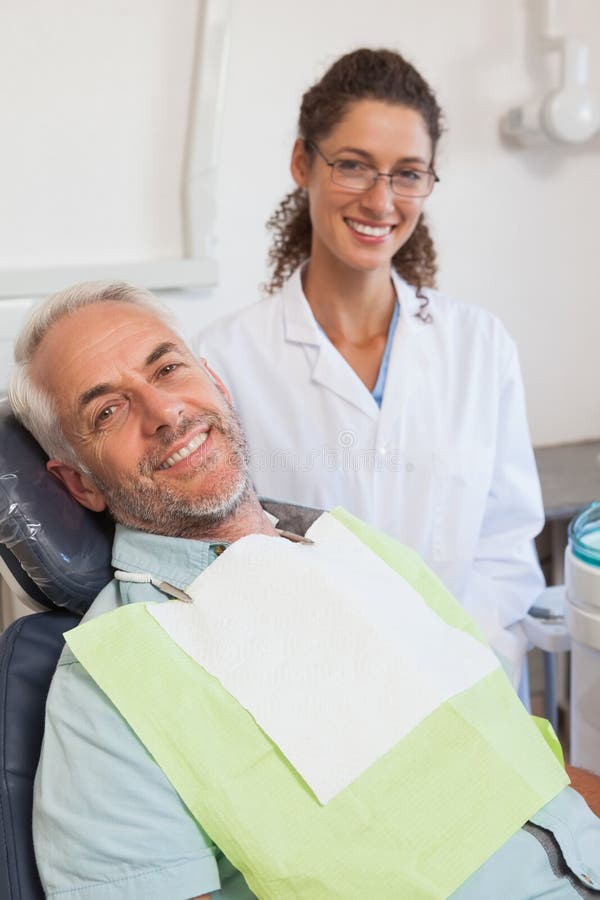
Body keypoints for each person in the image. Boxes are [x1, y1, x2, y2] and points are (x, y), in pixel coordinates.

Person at [9, 282, 600, 900]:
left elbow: (531, 774)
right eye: (109, 411)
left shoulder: (359, 552)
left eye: (168, 368)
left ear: (216, 383)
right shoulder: (111, 682)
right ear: (80, 484)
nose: (163, 412)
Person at [198, 48, 545, 688]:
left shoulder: (479, 345)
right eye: (354, 166)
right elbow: (227, 562)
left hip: (469, 682)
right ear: (303, 163)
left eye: (408, 173)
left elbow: (506, 546)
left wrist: (459, 656)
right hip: (316, 695)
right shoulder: (225, 361)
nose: (382, 200)